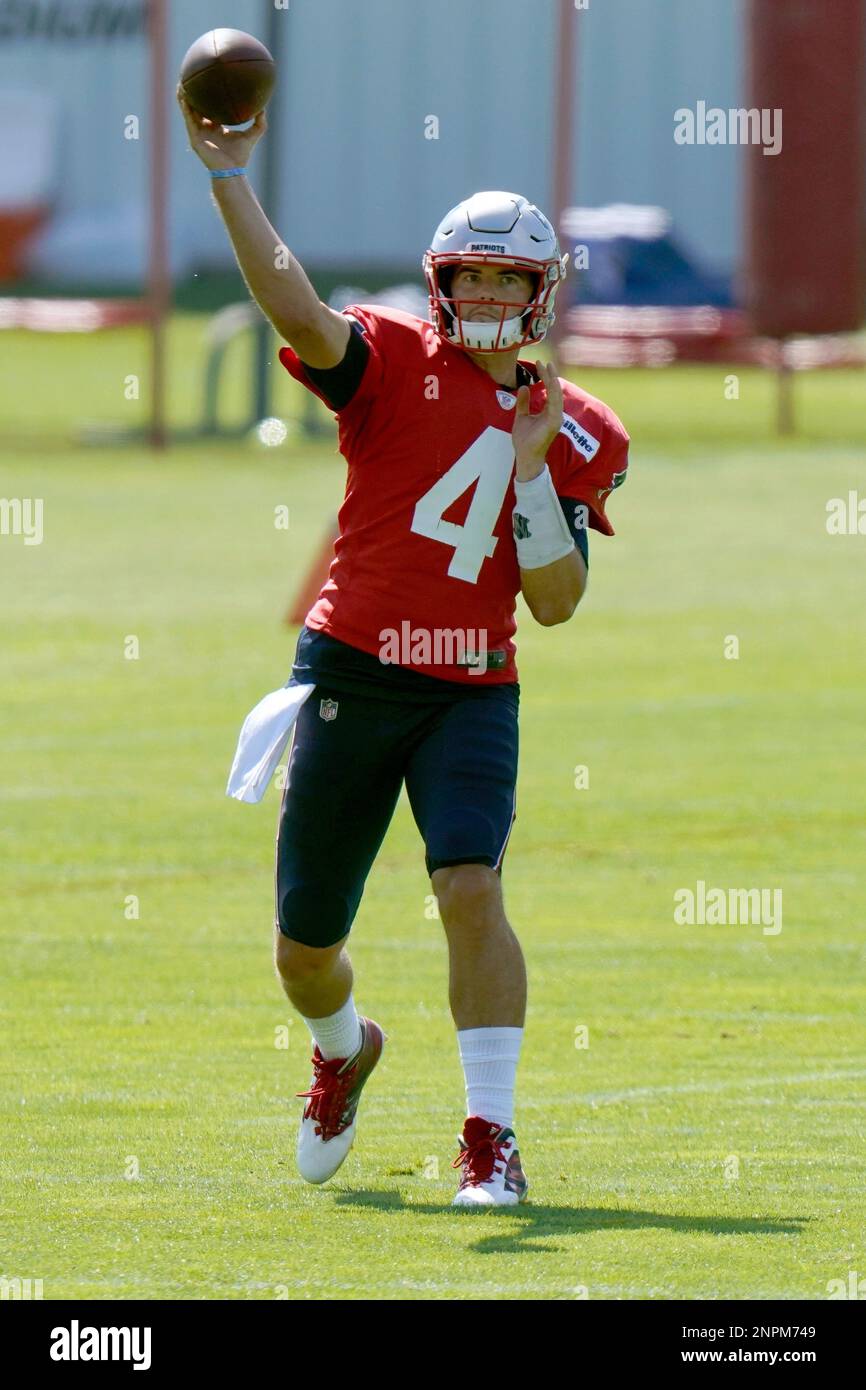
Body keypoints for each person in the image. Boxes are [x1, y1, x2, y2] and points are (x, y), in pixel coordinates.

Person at [179, 93, 629, 1207]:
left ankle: (491, 1137)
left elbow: (559, 602)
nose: (483, 296)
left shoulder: (572, 425)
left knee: (468, 884)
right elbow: (290, 303)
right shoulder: (385, 360)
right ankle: (341, 1045)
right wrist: (228, 175)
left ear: (538, 294)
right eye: (468, 276)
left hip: (469, 688)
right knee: (301, 950)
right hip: (349, 672)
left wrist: (528, 468)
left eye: (504, 281)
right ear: (440, 283)